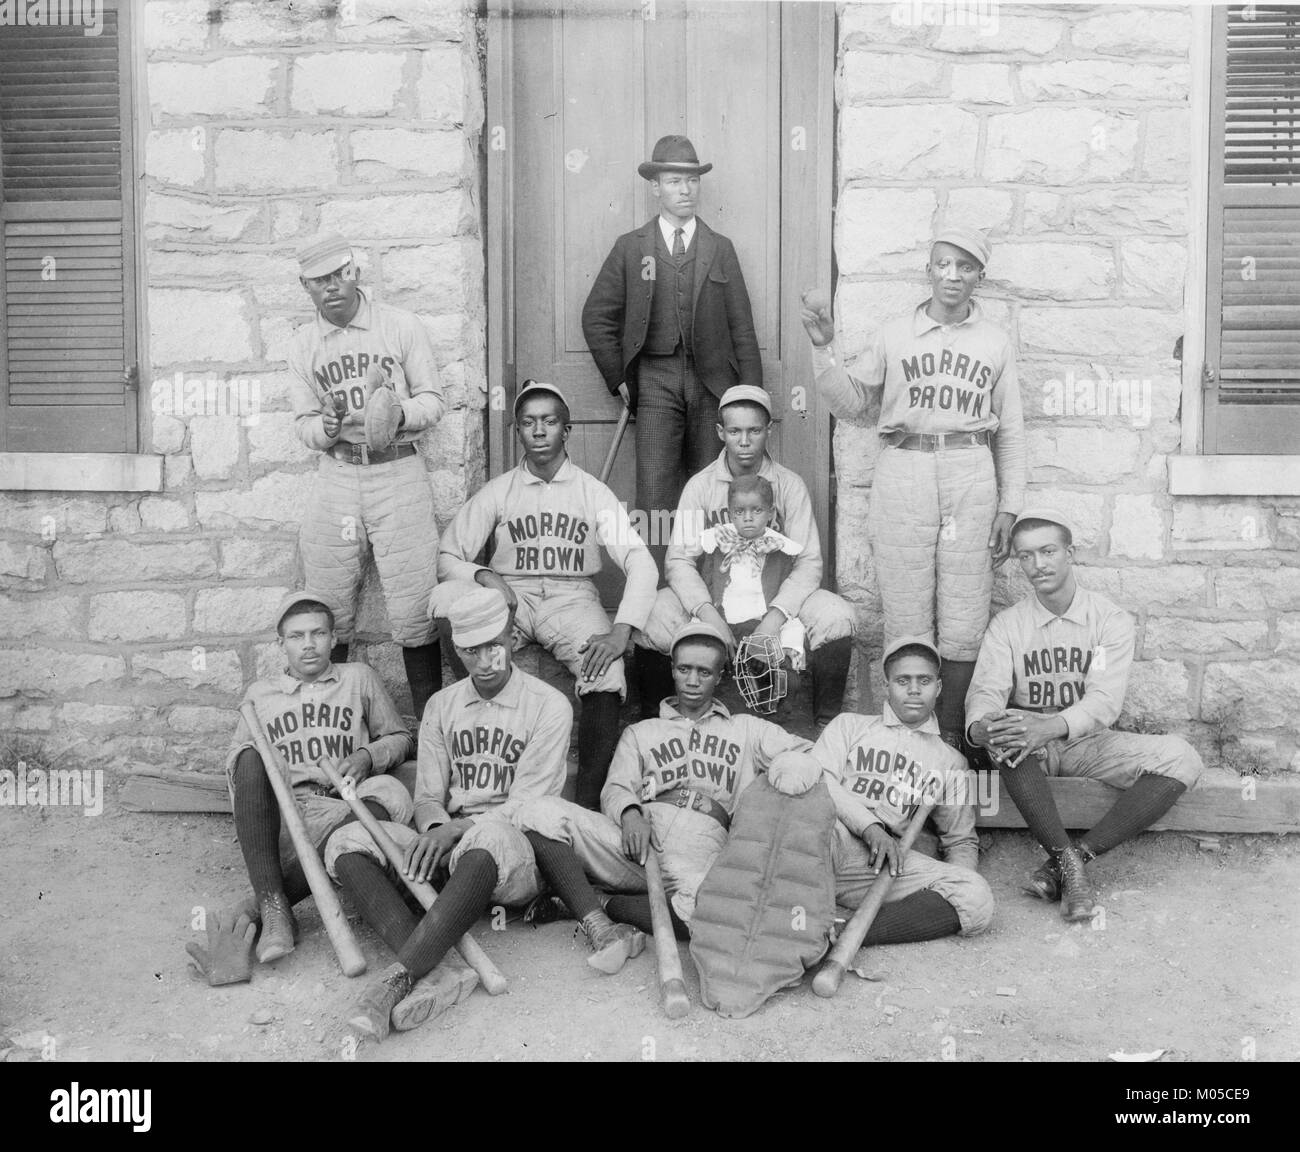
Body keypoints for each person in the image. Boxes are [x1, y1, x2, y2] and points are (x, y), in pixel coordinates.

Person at [802, 227, 1026, 748]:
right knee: (905, 609)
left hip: (971, 469)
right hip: (905, 466)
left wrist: (1009, 507)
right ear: (929, 269)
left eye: (965, 267)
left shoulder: (993, 341)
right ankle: (905, 740)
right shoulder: (894, 333)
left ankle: (952, 740)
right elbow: (853, 405)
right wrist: (823, 349)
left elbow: (1010, 430)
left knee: (966, 613)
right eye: (944, 264)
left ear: (979, 277)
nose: (953, 276)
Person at [324, 586, 574, 1041]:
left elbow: (527, 806)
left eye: (494, 645)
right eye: (471, 650)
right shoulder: (442, 706)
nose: (485, 661)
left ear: (512, 638)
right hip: (450, 849)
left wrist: (458, 830)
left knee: (488, 837)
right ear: (457, 649)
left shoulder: (549, 705)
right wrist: (437, 830)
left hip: (512, 855)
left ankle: (396, 980)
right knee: (349, 841)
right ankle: (441, 970)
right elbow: (426, 798)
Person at [511, 619, 822, 972]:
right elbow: (616, 788)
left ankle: (598, 902)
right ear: (672, 669)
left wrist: (782, 777)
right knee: (537, 812)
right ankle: (597, 925)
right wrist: (630, 813)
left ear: (720, 677)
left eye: (704, 672)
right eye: (684, 669)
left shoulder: (747, 729)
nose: (692, 680)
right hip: (635, 841)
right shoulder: (642, 732)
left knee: (713, 915)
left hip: (702, 842)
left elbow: (805, 755)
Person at [965, 508, 1205, 922]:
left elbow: (1103, 702)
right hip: (1028, 748)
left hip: (1085, 742)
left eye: (1048, 551)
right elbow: (986, 692)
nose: (1038, 565)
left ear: (1069, 553)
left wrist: (1051, 727)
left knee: (1182, 757)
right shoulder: (1008, 625)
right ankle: (1070, 867)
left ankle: (1072, 859)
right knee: (1006, 735)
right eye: (1025, 556)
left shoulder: (1106, 619)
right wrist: (982, 727)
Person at [435, 380, 658, 808]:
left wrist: (621, 632)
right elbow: (448, 556)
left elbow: (640, 560)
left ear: (566, 431)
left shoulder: (592, 491)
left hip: (571, 597)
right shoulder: (499, 490)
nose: (539, 431)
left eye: (550, 422)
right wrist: (484, 576)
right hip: (510, 595)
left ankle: (589, 804)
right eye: (529, 422)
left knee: (607, 673)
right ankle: (479, 733)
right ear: (517, 430)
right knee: (447, 603)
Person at [201, 592, 414, 978]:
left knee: (393, 792)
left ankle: (271, 903)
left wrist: (367, 757)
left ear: (333, 638)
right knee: (251, 756)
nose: (309, 644)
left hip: (344, 810)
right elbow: (237, 770)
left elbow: (400, 737)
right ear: (281, 644)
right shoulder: (260, 694)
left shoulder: (358, 678)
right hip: (286, 817)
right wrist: (269, 767)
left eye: (318, 634)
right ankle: (273, 902)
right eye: (297, 636)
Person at [582, 134, 762, 571]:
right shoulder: (632, 247)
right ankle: (659, 599)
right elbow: (596, 316)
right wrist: (620, 378)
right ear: (655, 187)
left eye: (692, 181)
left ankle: (711, 596)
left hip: (711, 383)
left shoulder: (720, 248)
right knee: (656, 495)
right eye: (674, 181)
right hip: (656, 382)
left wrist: (753, 400)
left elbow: (742, 327)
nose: (685, 190)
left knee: (712, 491)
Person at [288, 231, 445, 719]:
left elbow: (434, 402)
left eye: (339, 274)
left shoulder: (399, 326)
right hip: (339, 473)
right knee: (327, 600)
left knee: (416, 603)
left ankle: (429, 730)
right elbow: (303, 424)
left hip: (397, 468)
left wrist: (398, 413)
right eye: (319, 281)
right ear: (305, 287)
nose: (332, 287)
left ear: (354, 272)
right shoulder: (303, 344)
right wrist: (325, 427)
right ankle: (330, 723)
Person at [636, 385, 856, 727]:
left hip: (775, 600)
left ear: (769, 430)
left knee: (836, 615)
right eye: (735, 431)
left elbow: (809, 561)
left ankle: (825, 724)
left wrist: (774, 619)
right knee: (652, 613)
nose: (744, 441)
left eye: (754, 430)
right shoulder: (702, 485)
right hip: (715, 599)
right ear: (720, 432)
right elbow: (679, 560)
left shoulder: (789, 485)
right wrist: (708, 614)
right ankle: (655, 724)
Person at [812, 636, 994, 946]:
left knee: (976, 895)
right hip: (829, 837)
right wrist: (870, 827)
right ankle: (795, 923)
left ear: (938, 687)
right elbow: (818, 781)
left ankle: (845, 934)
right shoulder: (850, 726)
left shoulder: (950, 761)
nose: (913, 690)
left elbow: (960, 840)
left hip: (881, 864)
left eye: (923, 680)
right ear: (887, 685)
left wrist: (947, 887)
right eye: (902, 680)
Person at [699, 474, 806, 666]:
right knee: (697, 632)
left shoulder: (778, 548)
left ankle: (783, 666)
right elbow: (708, 580)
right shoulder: (719, 542)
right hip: (724, 616)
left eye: (757, 510)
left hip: (761, 619)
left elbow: (783, 590)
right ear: (730, 513)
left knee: (793, 627)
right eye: (739, 512)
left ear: (770, 512)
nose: (748, 519)